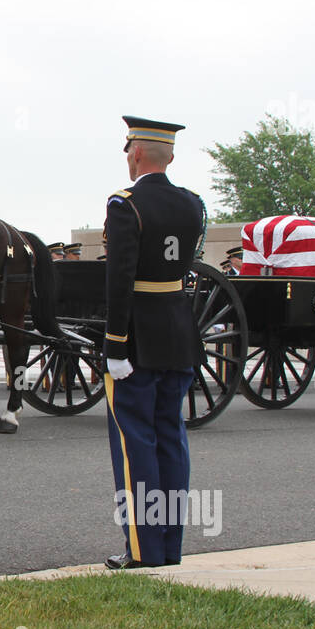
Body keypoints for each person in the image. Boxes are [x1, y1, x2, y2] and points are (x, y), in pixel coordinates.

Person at [101, 116, 204, 570]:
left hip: (138, 341)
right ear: (171, 156)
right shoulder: (193, 205)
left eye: (128, 151)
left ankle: (142, 550)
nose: (127, 158)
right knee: (171, 440)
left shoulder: (126, 205)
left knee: (135, 444)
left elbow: (120, 281)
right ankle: (169, 548)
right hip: (179, 336)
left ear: (137, 153)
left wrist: (116, 345)